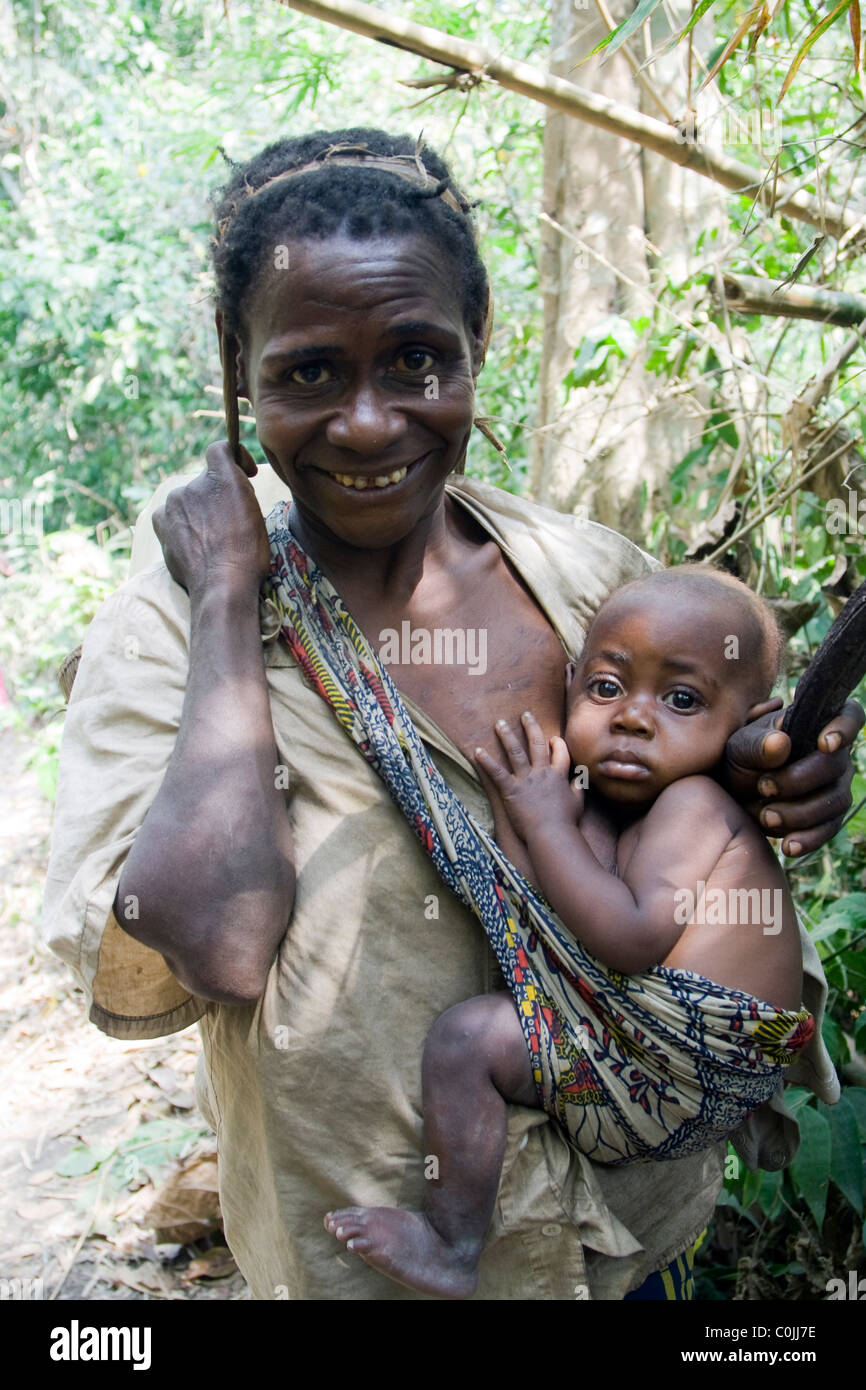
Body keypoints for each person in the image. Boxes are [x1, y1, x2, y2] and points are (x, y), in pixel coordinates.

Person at [43, 129, 859, 1301]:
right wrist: (229, 598)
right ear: (238, 372)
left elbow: (695, 820)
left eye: (417, 360)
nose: (370, 423)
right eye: (309, 371)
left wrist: (773, 788)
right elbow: (214, 946)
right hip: (371, 1268)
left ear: (478, 348)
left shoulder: (586, 578)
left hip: (629, 1230)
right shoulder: (168, 629)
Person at [324, 567, 815, 1297]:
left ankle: (455, 1246)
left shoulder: (696, 803)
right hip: (638, 1073)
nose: (633, 718)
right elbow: (541, 913)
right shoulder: (602, 809)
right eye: (607, 688)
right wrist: (522, 813)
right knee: (480, 1034)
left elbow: (631, 937)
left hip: (694, 1061)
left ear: (751, 722)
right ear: (573, 682)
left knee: (466, 1041)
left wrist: (545, 819)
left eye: (682, 699)